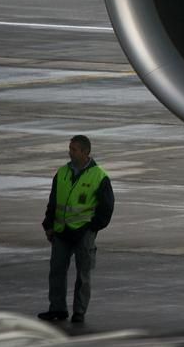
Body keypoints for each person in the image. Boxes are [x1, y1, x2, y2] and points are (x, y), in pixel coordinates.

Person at [38, 135, 114, 323]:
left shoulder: (100, 176)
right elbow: (53, 201)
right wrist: (48, 225)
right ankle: (57, 309)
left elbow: (107, 208)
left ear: (85, 152)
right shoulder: (62, 172)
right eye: (70, 148)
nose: (70, 152)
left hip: (83, 233)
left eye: (74, 149)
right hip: (61, 231)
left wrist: (92, 228)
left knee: (83, 274)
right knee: (56, 271)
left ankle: (79, 312)